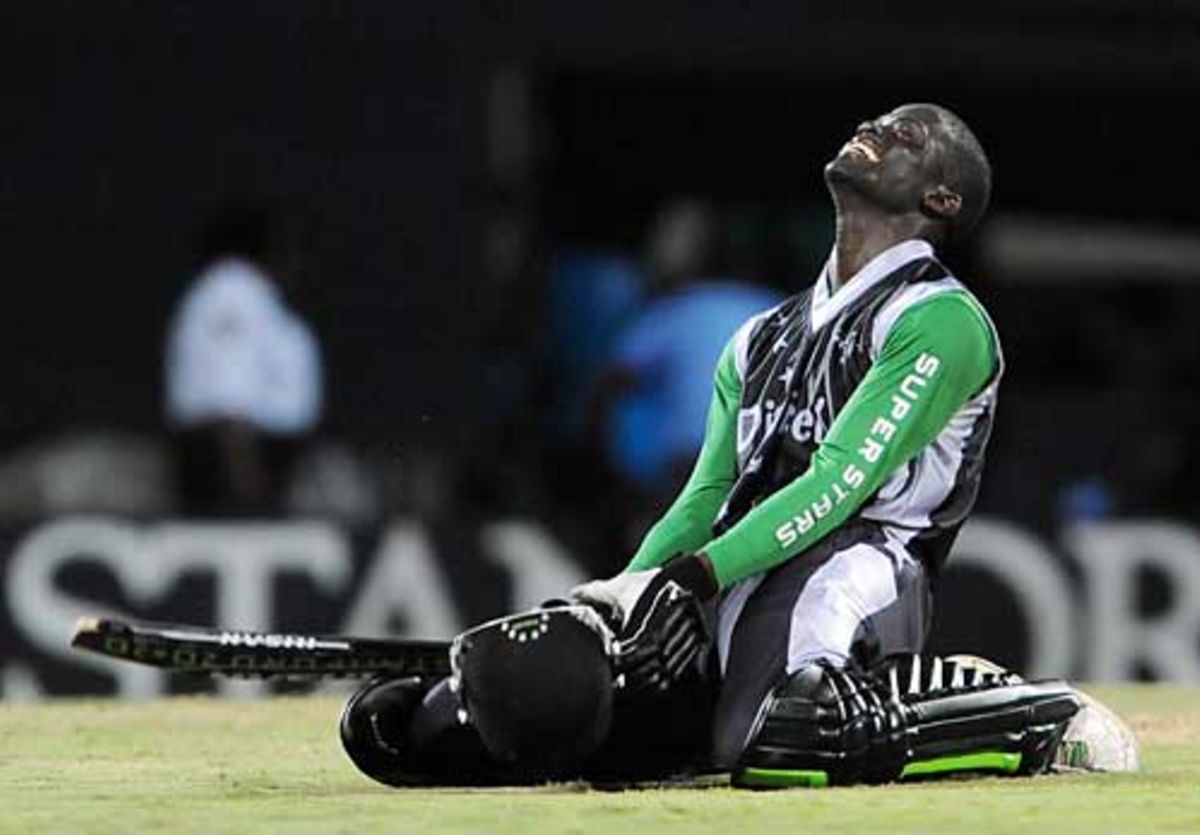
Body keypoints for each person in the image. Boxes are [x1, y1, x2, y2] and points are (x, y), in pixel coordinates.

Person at [340, 104, 1133, 787]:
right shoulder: (759, 336)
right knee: (431, 723)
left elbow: (837, 487)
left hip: (859, 561)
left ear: (941, 196)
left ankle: (1026, 713)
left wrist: (690, 579)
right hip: (734, 563)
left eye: (909, 135)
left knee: (781, 739)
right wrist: (627, 593)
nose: (877, 130)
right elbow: (704, 498)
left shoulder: (940, 319)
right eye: (881, 122)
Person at [164, 200, 322, 516]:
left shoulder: (247, 295)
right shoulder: (233, 290)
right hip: (236, 461)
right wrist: (248, 487)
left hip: (247, 455)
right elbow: (229, 403)